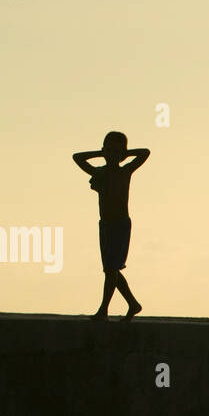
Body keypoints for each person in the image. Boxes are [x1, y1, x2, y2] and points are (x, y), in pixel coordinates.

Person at [72, 131, 150, 319]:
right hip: (105, 225)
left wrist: (123, 153)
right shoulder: (99, 172)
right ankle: (132, 303)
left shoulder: (125, 171)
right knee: (110, 269)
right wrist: (102, 153)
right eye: (109, 150)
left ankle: (103, 310)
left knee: (112, 269)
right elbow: (78, 158)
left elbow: (145, 152)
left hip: (120, 224)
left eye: (117, 151)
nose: (112, 155)